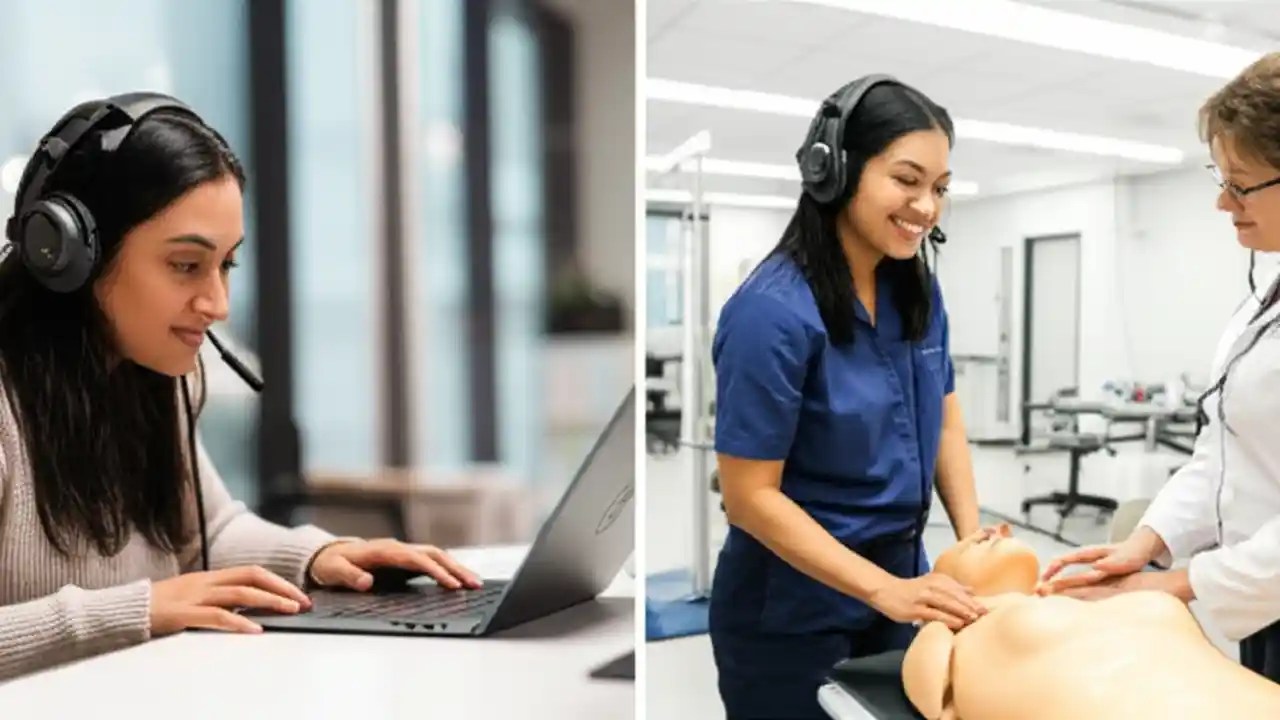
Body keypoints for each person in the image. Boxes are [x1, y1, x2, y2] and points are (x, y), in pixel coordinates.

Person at [0, 93, 481, 683]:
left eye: (226, 265)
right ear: (66, 253)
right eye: (185, 265)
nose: (218, 305)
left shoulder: (143, 375)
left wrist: (319, 557)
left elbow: (209, 531)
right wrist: (137, 608)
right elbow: (155, 598)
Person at [708, 74, 994, 719]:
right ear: (833, 170)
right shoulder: (770, 314)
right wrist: (883, 591)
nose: (926, 206)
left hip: (898, 586)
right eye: (906, 179)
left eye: (940, 189)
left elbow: (945, 418)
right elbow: (750, 498)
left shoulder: (916, 292)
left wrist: (974, 542)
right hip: (790, 612)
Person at [1039, 52, 1280, 684]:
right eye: (1219, 178)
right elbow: (1222, 451)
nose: (1223, 203)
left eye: (1242, 182)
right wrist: (1146, 542)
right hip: (1263, 605)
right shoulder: (1265, 296)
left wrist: (1172, 586)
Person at [897, 525, 1280, 719]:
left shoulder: (1104, 604)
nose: (997, 529)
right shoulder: (951, 633)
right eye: (972, 540)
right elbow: (936, 706)